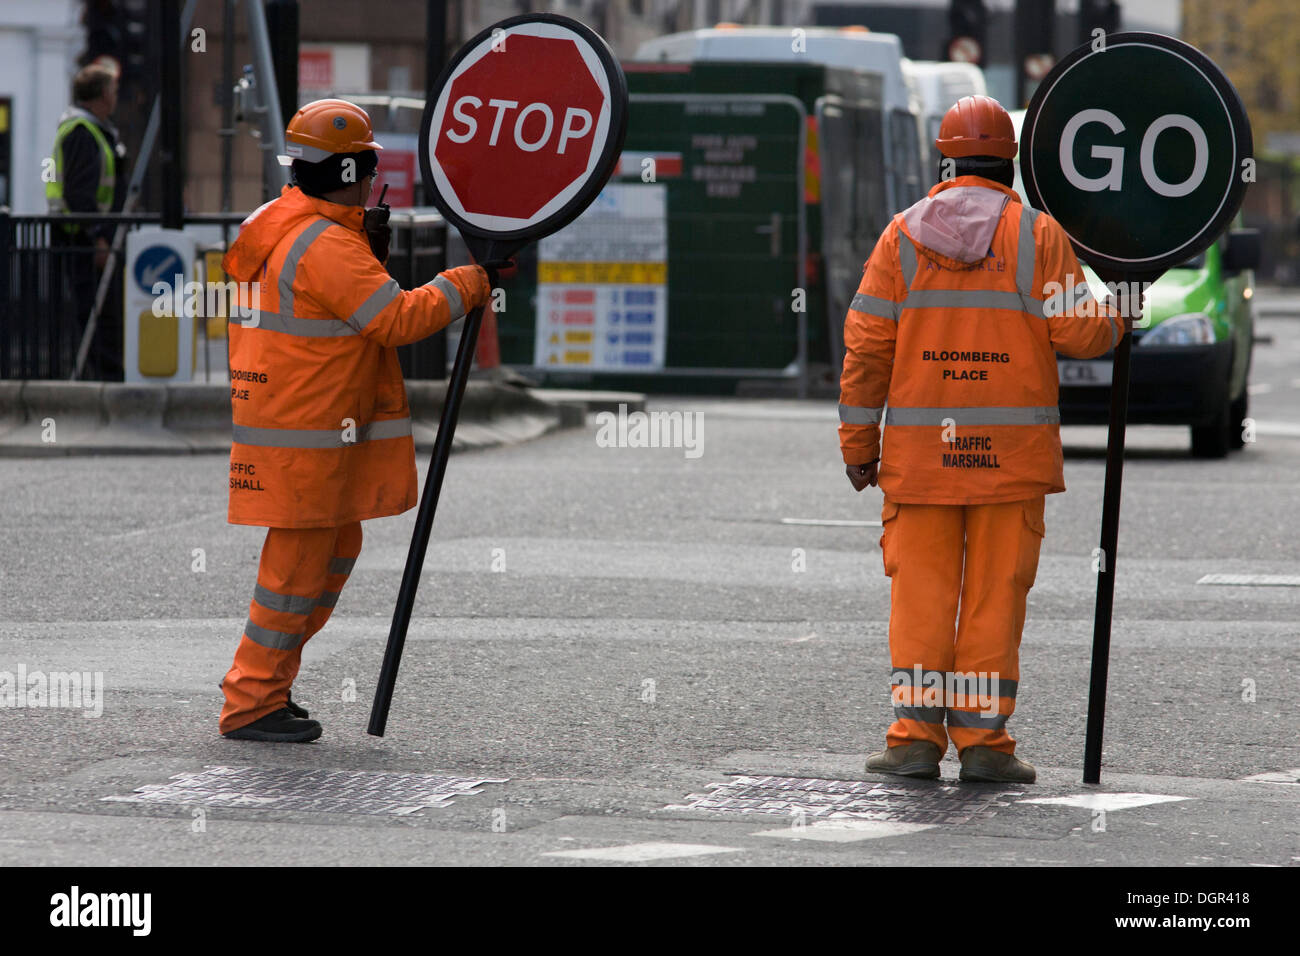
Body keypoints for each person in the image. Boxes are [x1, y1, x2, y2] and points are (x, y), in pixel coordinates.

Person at [838, 95, 1134, 783]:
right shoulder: (1038, 237)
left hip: (919, 462)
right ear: (1010, 165)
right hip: (1008, 462)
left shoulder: (899, 237)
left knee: (922, 595)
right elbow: (1081, 334)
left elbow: (865, 350)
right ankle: (982, 747)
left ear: (944, 159)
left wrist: (859, 447)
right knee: (996, 596)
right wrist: (1122, 308)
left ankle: (914, 740)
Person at [218, 98, 493, 742]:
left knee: (331, 554)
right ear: (353, 172)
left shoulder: (280, 223)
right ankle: (250, 700)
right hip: (307, 439)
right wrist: (470, 283)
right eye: (366, 169)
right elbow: (394, 320)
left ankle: (267, 688)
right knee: (294, 576)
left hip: (297, 430)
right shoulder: (325, 245)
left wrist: (361, 242)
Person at [47, 62, 126, 379]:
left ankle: (101, 377)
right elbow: (79, 195)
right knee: (97, 316)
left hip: (88, 239)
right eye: (113, 90)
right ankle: (101, 381)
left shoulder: (93, 130)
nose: (116, 96)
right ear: (101, 95)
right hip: (84, 243)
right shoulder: (82, 133)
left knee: (101, 315)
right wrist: (98, 239)